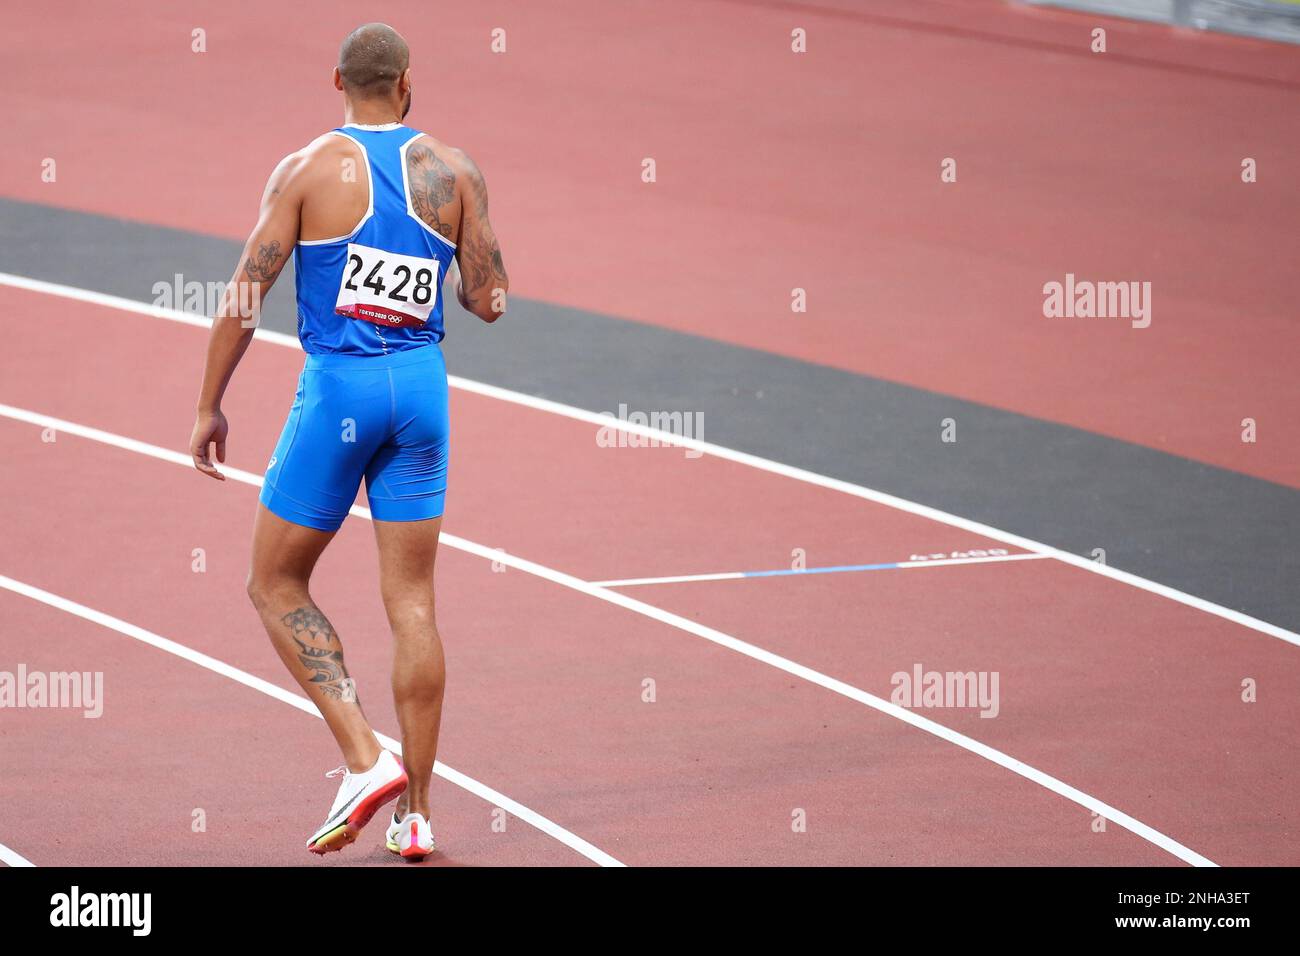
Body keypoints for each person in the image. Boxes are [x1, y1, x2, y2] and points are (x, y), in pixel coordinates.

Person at [187, 22, 507, 861]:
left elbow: (246, 296)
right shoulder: (455, 170)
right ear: (407, 81)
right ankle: (419, 815)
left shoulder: (304, 171)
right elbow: (488, 298)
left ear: (337, 81)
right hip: (423, 392)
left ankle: (366, 759)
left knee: (273, 581)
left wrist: (209, 404)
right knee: (414, 604)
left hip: (342, 391)